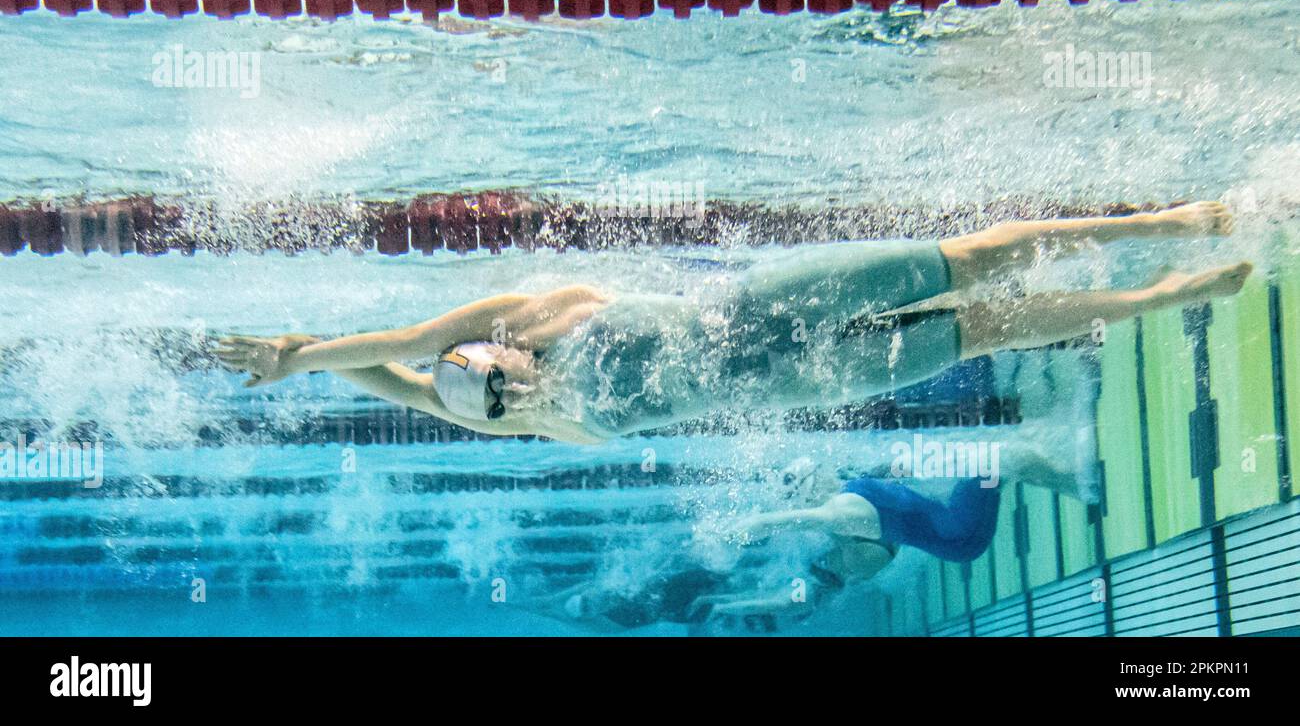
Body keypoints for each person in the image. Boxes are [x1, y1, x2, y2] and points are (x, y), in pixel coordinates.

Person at [217, 201, 1247, 444]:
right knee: (977, 330)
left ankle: (1157, 222)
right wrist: (317, 371)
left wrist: (300, 353)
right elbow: (405, 382)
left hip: (765, 303)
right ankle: (1157, 297)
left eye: (490, 371)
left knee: (965, 260)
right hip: (786, 382)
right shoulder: (515, 420)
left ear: (491, 346)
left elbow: (400, 351)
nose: (502, 387)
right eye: (491, 398)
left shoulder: (527, 315)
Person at [531, 441, 1093, 633]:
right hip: (959, 535)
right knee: (1008, 457)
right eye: (798, 481)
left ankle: (1078, 476)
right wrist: (754, 527)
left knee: (1008, 458)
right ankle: (1084, 480)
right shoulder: (839, 512)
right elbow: (807, 523)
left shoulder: (846, 492)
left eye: (797, 473)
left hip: (949, 528)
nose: (807, 474)